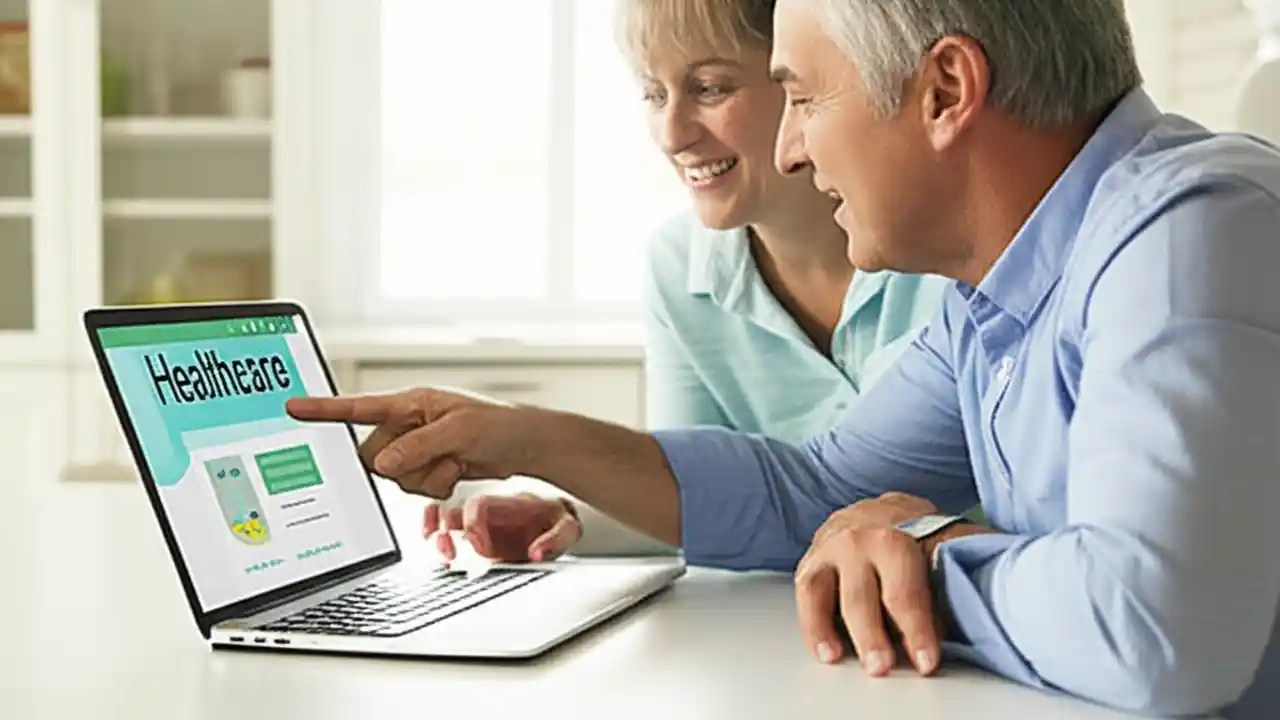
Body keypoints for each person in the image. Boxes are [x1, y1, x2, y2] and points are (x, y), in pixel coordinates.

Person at [288, 0, 1280, 716]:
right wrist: (519, 436)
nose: (794, 151)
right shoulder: (990, 293)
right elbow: (815, 486)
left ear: (943, 89)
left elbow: (1161, 634)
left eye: (800, 99)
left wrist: (922, 563)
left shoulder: (1185, 227)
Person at [422, 0, 948, 564]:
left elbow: (815, 494)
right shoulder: (675, 265)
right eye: (653, 94)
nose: (673, 135)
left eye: (711, 88)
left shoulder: (941, 249)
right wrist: (572, 517)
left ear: (806, 80)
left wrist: (534, 441)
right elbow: (714, 498)